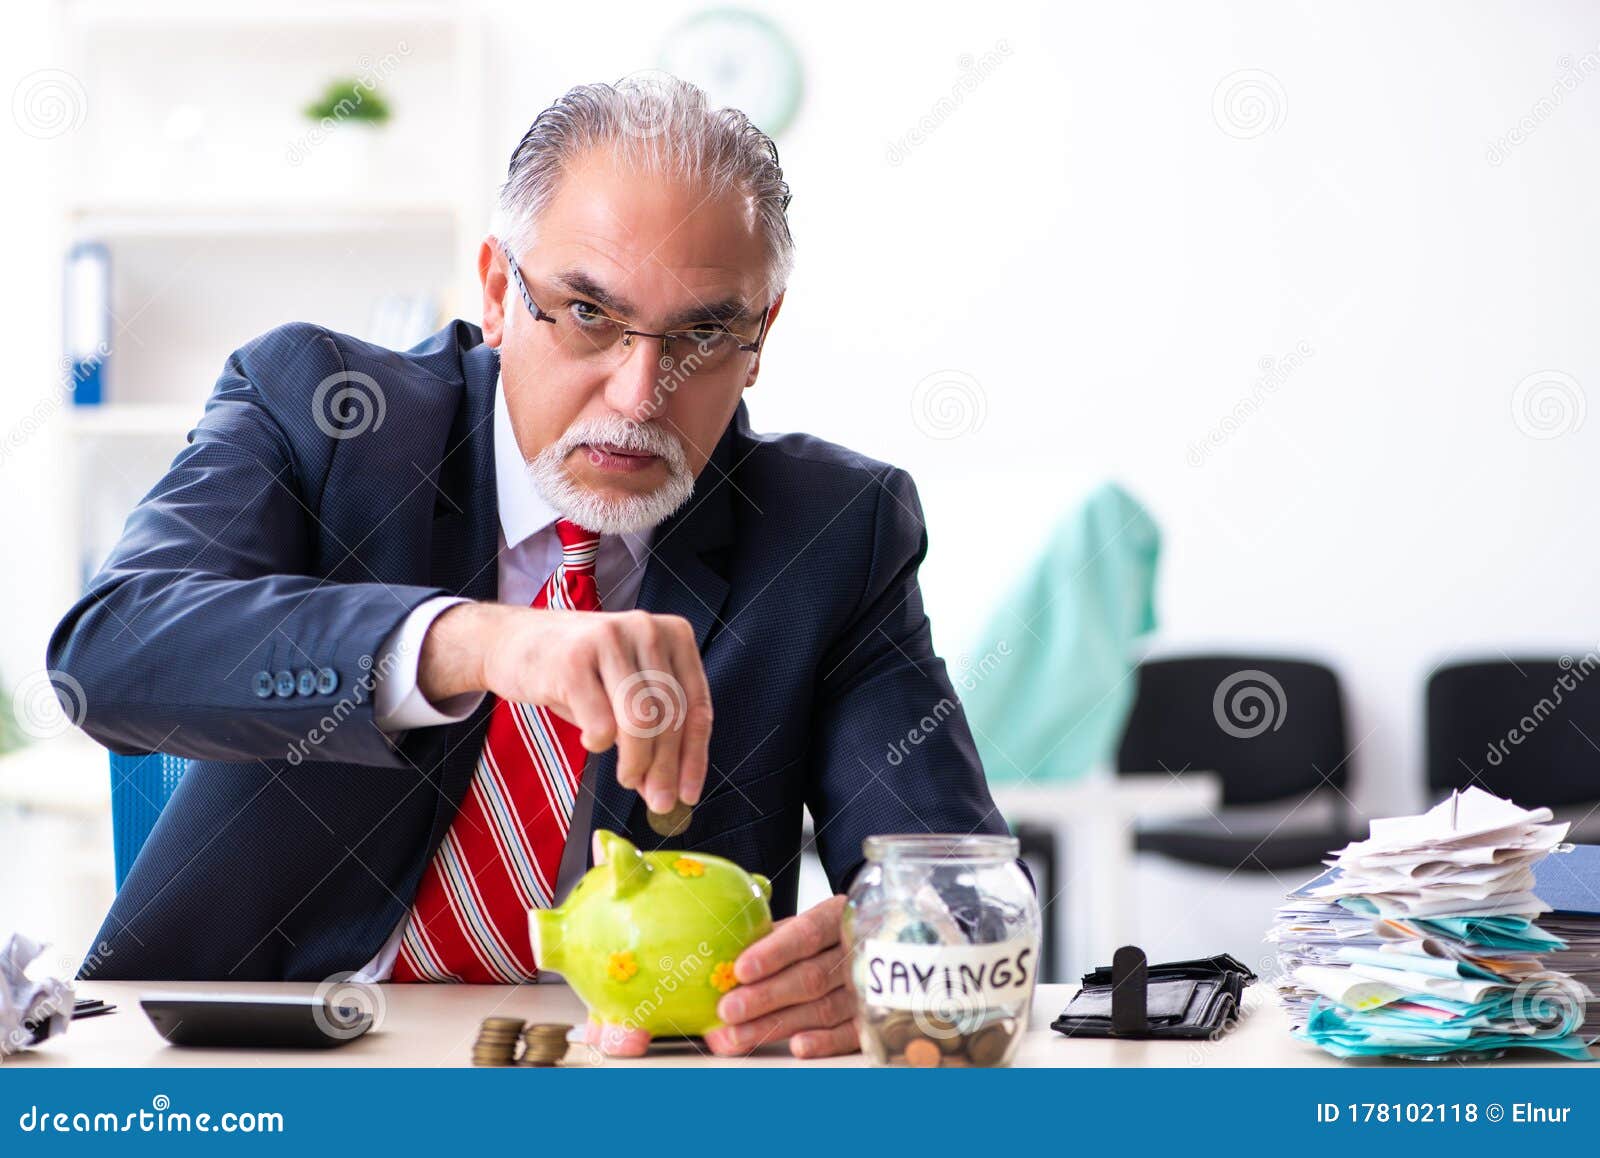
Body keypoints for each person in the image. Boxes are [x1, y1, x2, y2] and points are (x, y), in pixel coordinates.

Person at [48, 76, 1009, 1059]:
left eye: (704, 335)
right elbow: (108, 650)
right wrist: (474, 641)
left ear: (760, 336)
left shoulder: (834, 529)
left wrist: (885, 961)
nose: (640, 394)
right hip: (255, 1068)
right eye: (589, 311)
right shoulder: (318, 410)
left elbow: (958, 893)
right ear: (501, 292)